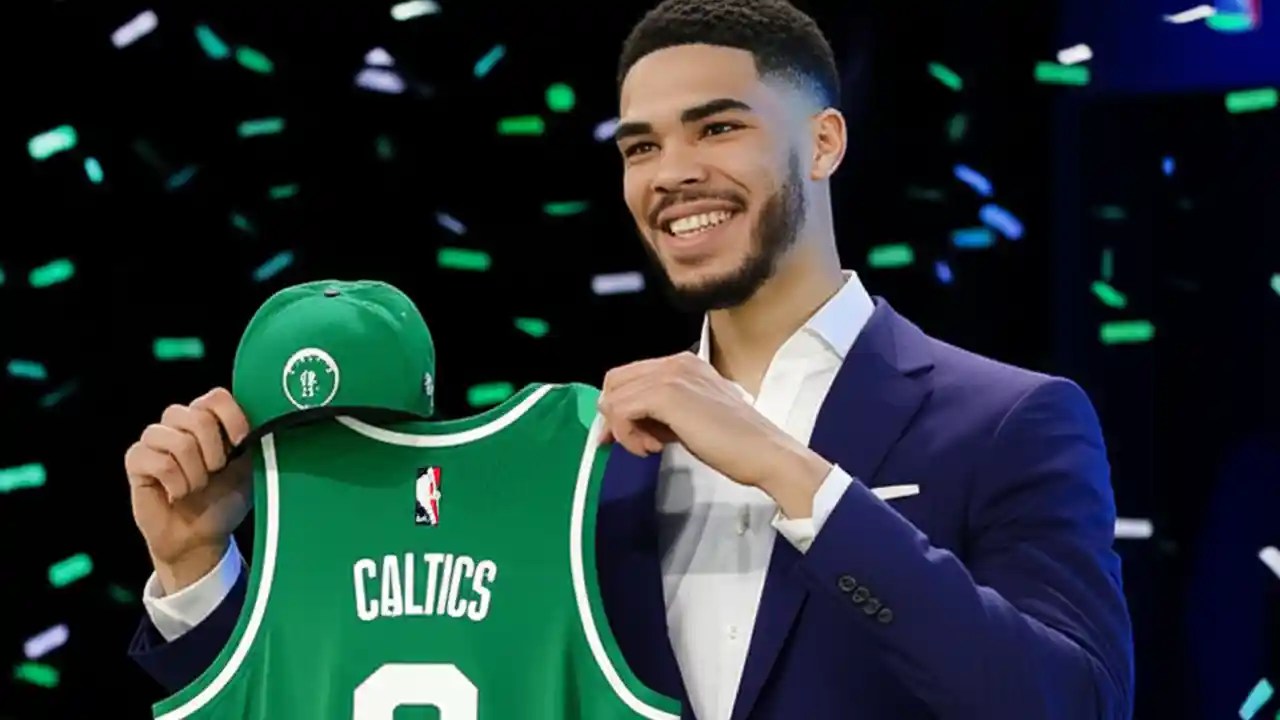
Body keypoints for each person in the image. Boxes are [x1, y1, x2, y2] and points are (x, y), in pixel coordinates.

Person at [126, 0, 1135, 718]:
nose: (672, 172)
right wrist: (195, 568)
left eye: (718, 128)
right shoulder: (585, 455)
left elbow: (1071, 701)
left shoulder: (1009, 418)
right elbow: (383, 682)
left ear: (824, 142)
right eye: (639, 146)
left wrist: (793, 476)